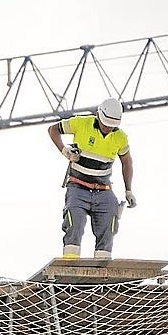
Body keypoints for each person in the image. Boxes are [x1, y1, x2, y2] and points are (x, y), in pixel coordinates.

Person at [47, 98, 135, 260]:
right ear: (98, 115)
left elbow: (126, 162)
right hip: (78, 187)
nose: (108, 128)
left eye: (112, 125)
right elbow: (53, 129)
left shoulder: (120, 137)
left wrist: (128, 190)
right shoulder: (82, 123)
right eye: (105, 123)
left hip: (103, 190)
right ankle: (70, 265)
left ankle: (101, 267)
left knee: (109, 224)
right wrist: (64, 150)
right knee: (74, 224)